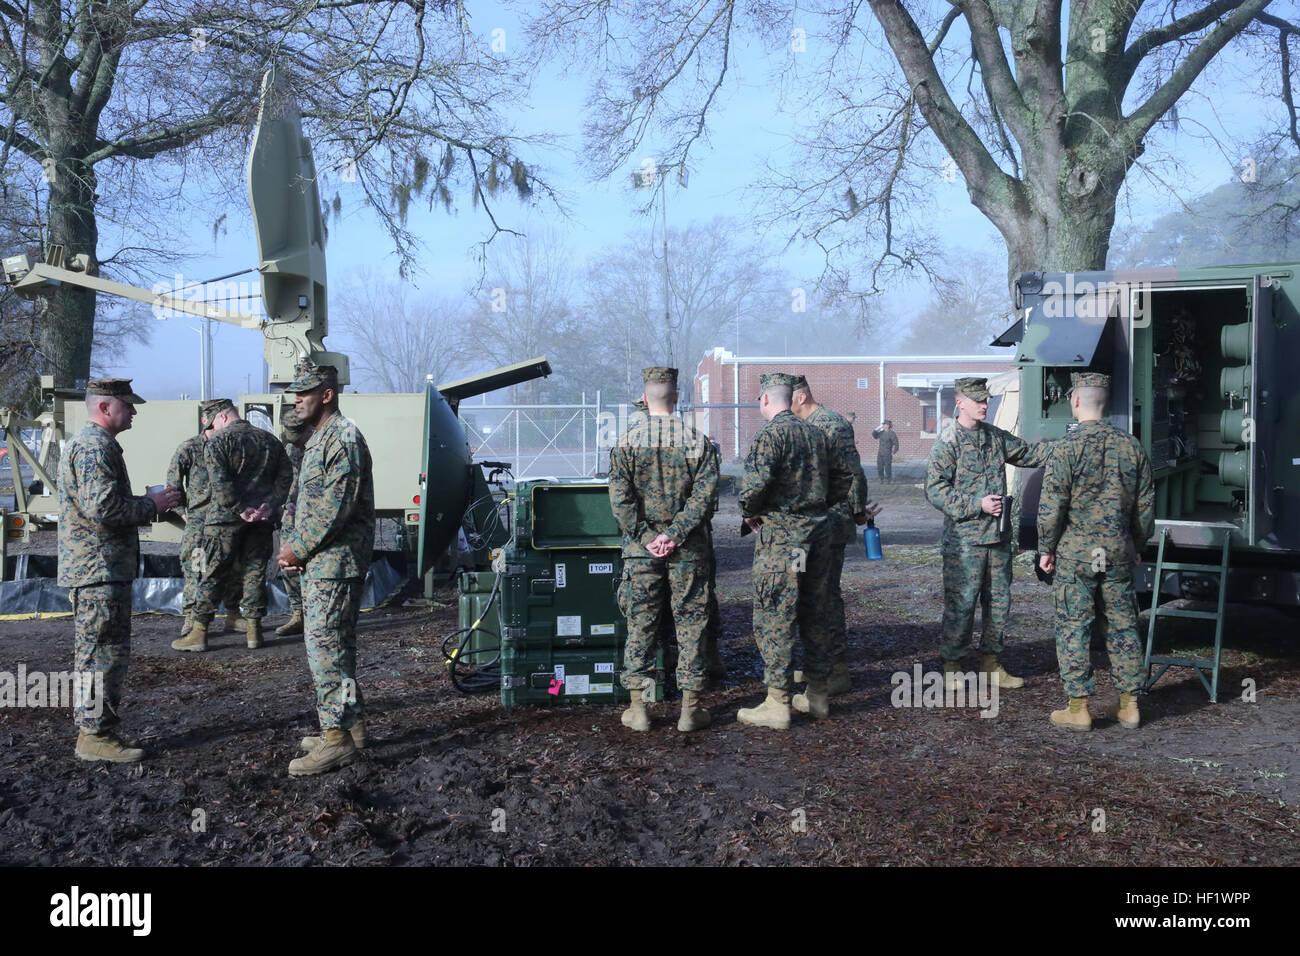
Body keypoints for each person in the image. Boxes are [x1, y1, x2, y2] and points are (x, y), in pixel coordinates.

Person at [58, 379, 180, 762]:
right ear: (105, 408)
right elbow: (105, 510)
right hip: (98, 570)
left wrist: (143, 502)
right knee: (100, 655)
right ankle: (94, 735)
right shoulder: (94, 448)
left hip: (100, 569)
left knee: (103, 652)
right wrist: (152, 504)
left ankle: (99, 730)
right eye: (127, 405)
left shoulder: (94, 445)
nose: (134, 411)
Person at [1038, 372, 1155, 731]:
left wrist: (1045, 547)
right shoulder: (1131, 446)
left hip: (1077, 554)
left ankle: (1078, 708)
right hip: (1118, 552)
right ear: (1107, 403)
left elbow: (1051, 505)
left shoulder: (1066, 449)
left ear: (1075, 401)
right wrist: (1138, 543)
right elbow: (1145, 505)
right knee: (1122, 626)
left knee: (1075, 626)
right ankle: (1130, 705)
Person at [925, 377, 1055, 690]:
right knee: (962, 603)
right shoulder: (948, 441)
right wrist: (977, 504)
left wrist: (1070, 446)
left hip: (997, 539)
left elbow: (1028, 453)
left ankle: (991, 663)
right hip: (965, 541)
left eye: (986, 400)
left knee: (998, 603)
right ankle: (952, 665)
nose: (985, 405)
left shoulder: (995, 437)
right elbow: (935, 490)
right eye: (979, 401)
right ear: (960, 403)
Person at [737, 372, 851, 729]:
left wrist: (750, 510)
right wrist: (818, 505)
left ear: (767, 399)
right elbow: (844, 478)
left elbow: (753, 490)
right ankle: (817, 695)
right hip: (817, 537)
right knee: (815, 613)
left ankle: (777, 702)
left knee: (775, 616)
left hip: (783, 543)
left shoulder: (770, 435)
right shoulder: (817, 433)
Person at [277, 362, 375, 776]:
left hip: (334, 563)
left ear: (327, 394)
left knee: (326, 652)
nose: (296, 399)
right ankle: (350, 728)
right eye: (295, 393)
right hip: (324, 563)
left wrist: (297, 547)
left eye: (304, 392)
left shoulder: (343, 437)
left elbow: (336, 506)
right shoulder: (320, 439)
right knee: (338, 649)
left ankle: (335, 739)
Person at [609, 367, 719, 732]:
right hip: (688, 550)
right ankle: (690, 710)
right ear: (676, 398)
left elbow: (620, 502)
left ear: (644, 399)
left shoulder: (626, 442)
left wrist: (646, 537)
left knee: (640, 623)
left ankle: (639, 709)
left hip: (641, 554)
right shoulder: (697, 441)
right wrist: (676, 533)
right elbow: (705, 498)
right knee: (691, 624)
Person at [173, 399, 293, 652]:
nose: (212, 427)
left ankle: (199, 632)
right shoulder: (270, 441)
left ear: (223, 417)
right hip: (261, 520)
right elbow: (285, 477)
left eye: (213, 421)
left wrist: (240, 509)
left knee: (211, 572)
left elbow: (219, 483)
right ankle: (254, 630)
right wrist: (269, 506)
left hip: (224, 520)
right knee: (254, 572)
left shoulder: (218, 442)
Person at [790, 376, 878, 695]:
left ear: (800, 397)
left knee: (825, 595)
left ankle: (836, 667)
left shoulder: (831, 424)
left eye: (786, 399)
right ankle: (818, 662)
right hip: (808, 524)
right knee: (805, 593)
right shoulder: (801, 425)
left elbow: (852, 470)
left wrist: (856, 510)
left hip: (830, 522)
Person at [167, 400, 243, 641]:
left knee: (234, 566)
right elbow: (173, 484)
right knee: (196, 567)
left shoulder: (233, 446)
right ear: (210, 420)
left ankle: (233, 613)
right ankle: (191, 616)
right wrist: (183, 513)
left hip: (227, 518)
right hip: (200, 521)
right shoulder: (189, 447)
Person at [274, 407, 313, 638]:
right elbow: (284, 479)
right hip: (291, 514)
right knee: (287, 562)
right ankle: (298, 613)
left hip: (313, 515)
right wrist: (285, 503)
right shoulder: (288, 447)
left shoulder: (322, 445)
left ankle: (314, 613)